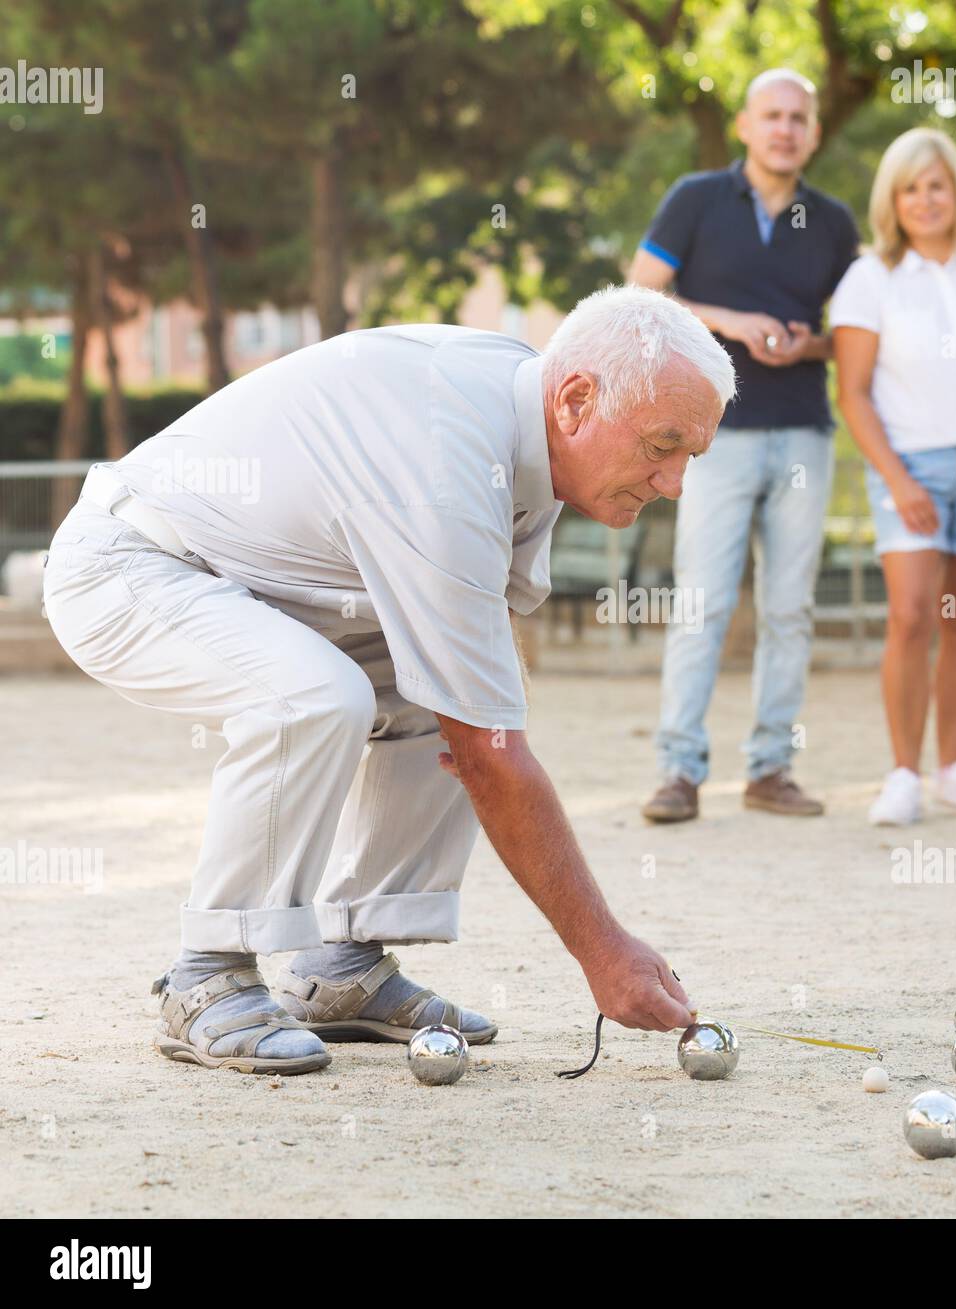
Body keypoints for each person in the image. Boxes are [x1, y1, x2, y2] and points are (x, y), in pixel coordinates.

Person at [41, 286, 734, 1076]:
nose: (674, 481)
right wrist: (602, 948)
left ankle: (338, 968)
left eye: (691, 455)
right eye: (661, 444)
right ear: (577, 400)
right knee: (318, 698)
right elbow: (490, 752)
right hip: (130, 565)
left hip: (259, 586)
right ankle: (207, 975)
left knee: (452, 694)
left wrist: (482, 720)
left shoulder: (523, 414)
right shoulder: (450, 454)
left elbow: (481, 685)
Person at [629, 68, 862, 823]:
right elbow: (640, 296)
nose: (785, 128)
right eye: (772, 115)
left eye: (799, 117)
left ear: (815, 132)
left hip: (803, 433)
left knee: (791, 608)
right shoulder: (695, 198)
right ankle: (678, 770)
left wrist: (809, 344)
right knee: (701, 603)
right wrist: (732, 322)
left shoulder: (833, 223)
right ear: (745, 125)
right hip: (712, 437)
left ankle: (771, 768)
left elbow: (857, 340)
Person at [830, 127, 956, 825]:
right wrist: (899, 479)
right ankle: (902, 775)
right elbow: (853, 392)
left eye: (937, 185)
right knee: (913, 613)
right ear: (893, 199)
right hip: (910, 464)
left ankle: (954, 768)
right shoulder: (871, 278)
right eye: (910, 188)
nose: (925, 199)